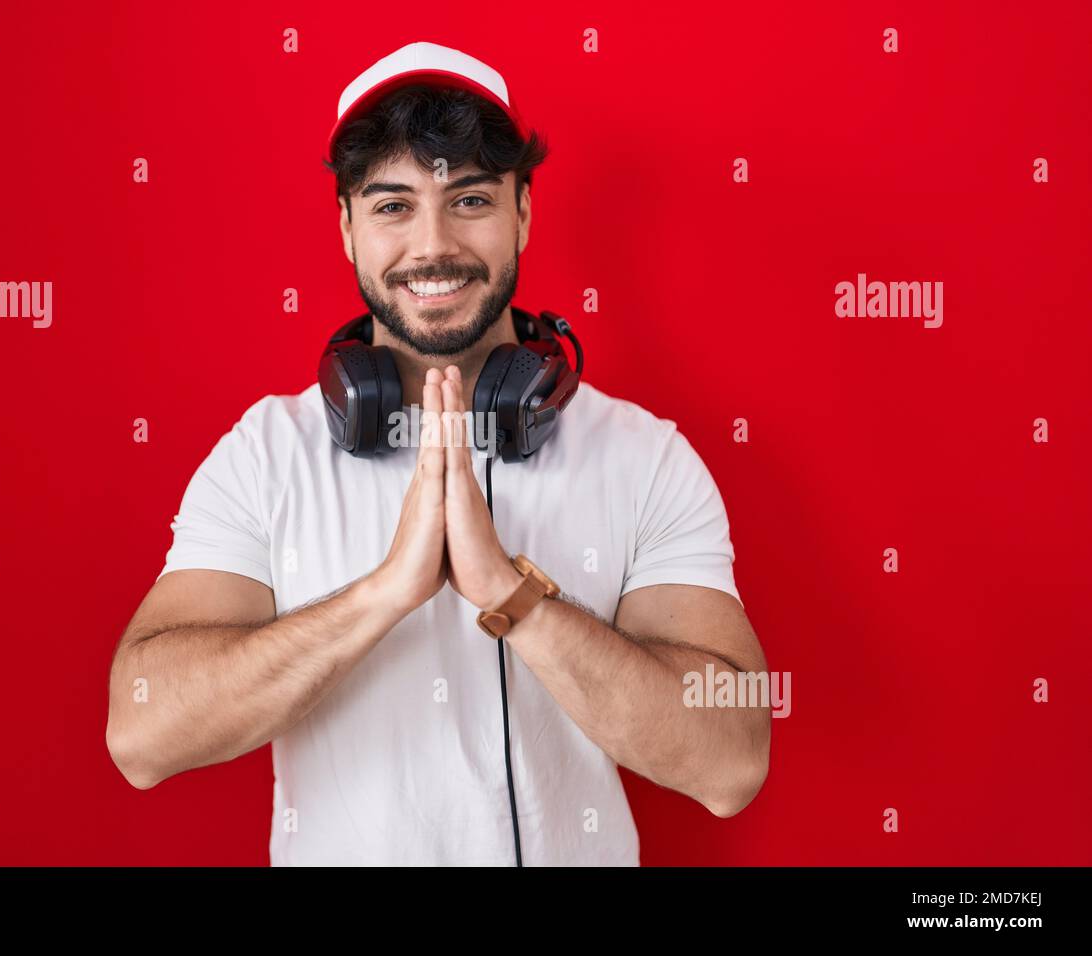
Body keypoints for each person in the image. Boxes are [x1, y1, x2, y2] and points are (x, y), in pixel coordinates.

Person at [105, 41, 770, 866]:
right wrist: (384, 594)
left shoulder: (646, 457)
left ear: (523, 211)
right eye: (391, 205)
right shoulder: (265, 454)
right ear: (346, 227)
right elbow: (140, 735)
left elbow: (732, 761)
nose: (433, 246)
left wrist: (508, 595)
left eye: (470, 199)